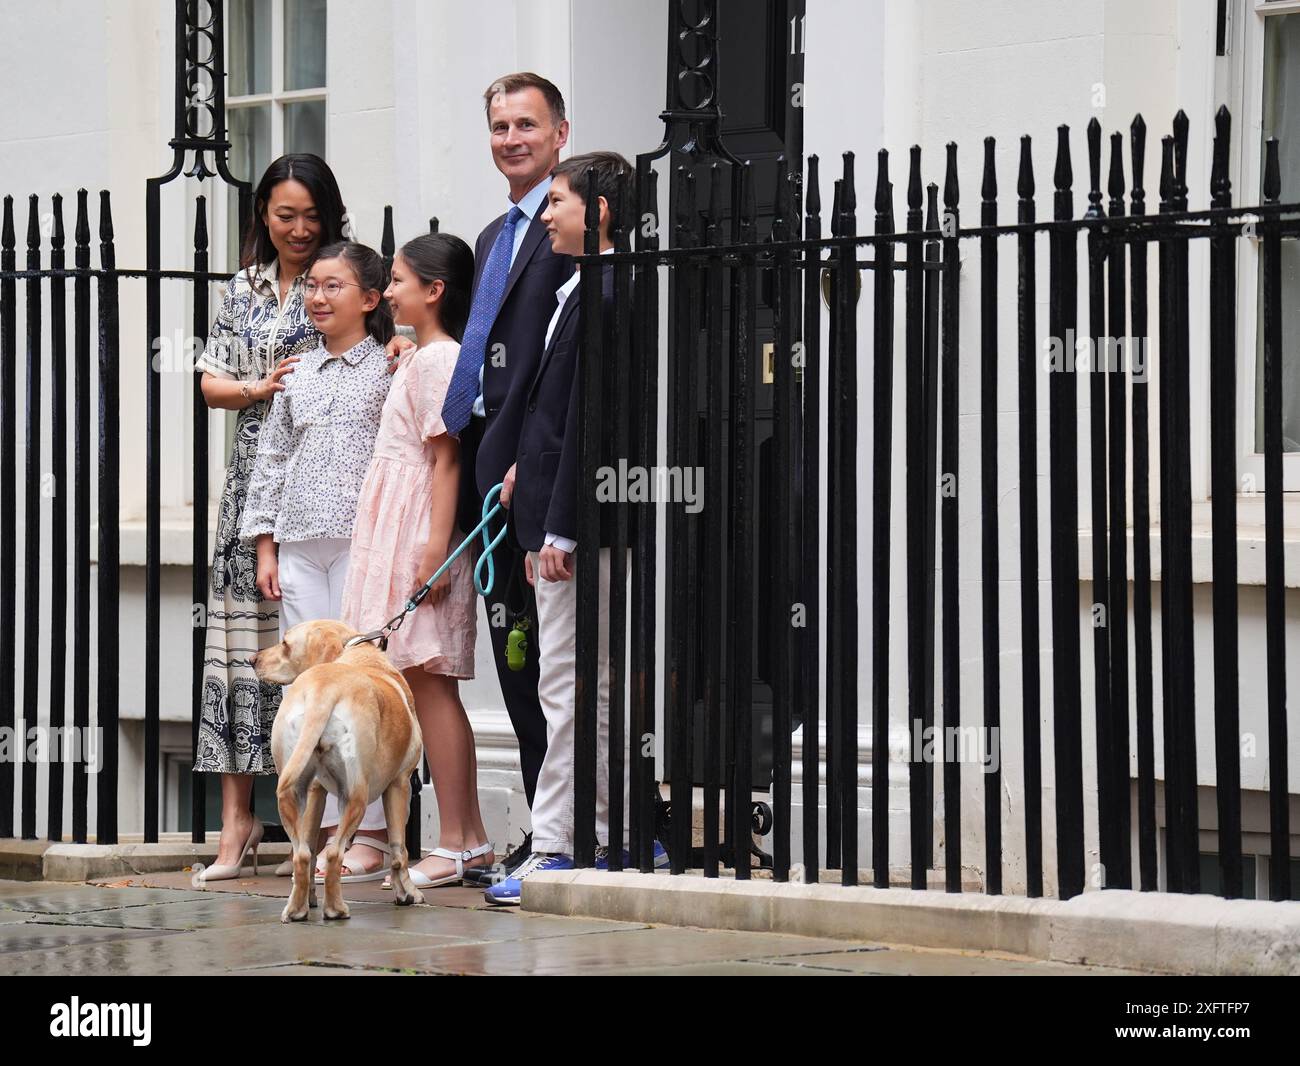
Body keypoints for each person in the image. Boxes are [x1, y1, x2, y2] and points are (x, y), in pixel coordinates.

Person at [390, 72, 572, 884]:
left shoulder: (571, 228)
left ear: (559, 132)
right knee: (517, 666)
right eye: (499, 126)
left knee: (559, 674)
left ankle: (575, 832)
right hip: (486, 488)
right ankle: (545, 826)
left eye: (526, 124)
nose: (511, 138)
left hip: (540, 484)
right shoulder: (496, 232)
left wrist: (536, 459)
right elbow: (484, 345)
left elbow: (558, 360)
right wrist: (415, 343)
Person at [486, 151, 665, 906]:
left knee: (567, 685)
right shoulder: (585, 285)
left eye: (558, 200)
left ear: (597, 213)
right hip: (559, 511)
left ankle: (559, 845)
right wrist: (528, 470)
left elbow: (598, 417)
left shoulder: (609, 289)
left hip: (578, 528)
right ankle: (615, 835)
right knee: (588, 683)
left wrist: (559, 530)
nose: (548, 212)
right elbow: (555, 414)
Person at [193, 154, 347, 881]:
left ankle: (314, 828)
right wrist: (256, 387)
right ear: (262, 214)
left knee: (313, 657)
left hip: (314, 485)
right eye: (286, 215)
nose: (299, 228)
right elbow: (208, 383)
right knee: (234, 654)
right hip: (246, 483)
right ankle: (237, 825)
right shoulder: (243, 286)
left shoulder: (336, 281)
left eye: (312, 216)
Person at [238, 240, 396, 882]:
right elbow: (271, 460)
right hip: (300, 543)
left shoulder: (390, 366)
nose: (318, 297)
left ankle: (373, 837)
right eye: (312, 286)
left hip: (362, 544)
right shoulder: (295, 374)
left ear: (370, 298)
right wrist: (267, 545)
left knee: (360, 688)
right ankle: (317, 834)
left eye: (334, 286)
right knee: (310, 691)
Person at [341, 233, 496, 887]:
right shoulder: (422, 356)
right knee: (413, 684)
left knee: (432, 689)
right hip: (401, 527)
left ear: (434, 291)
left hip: (419, 535)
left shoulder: (438, 362)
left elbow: (446, 457)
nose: (391, 289)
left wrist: (432, 552)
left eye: (400, 279)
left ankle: (464, 839)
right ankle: (453, 838)